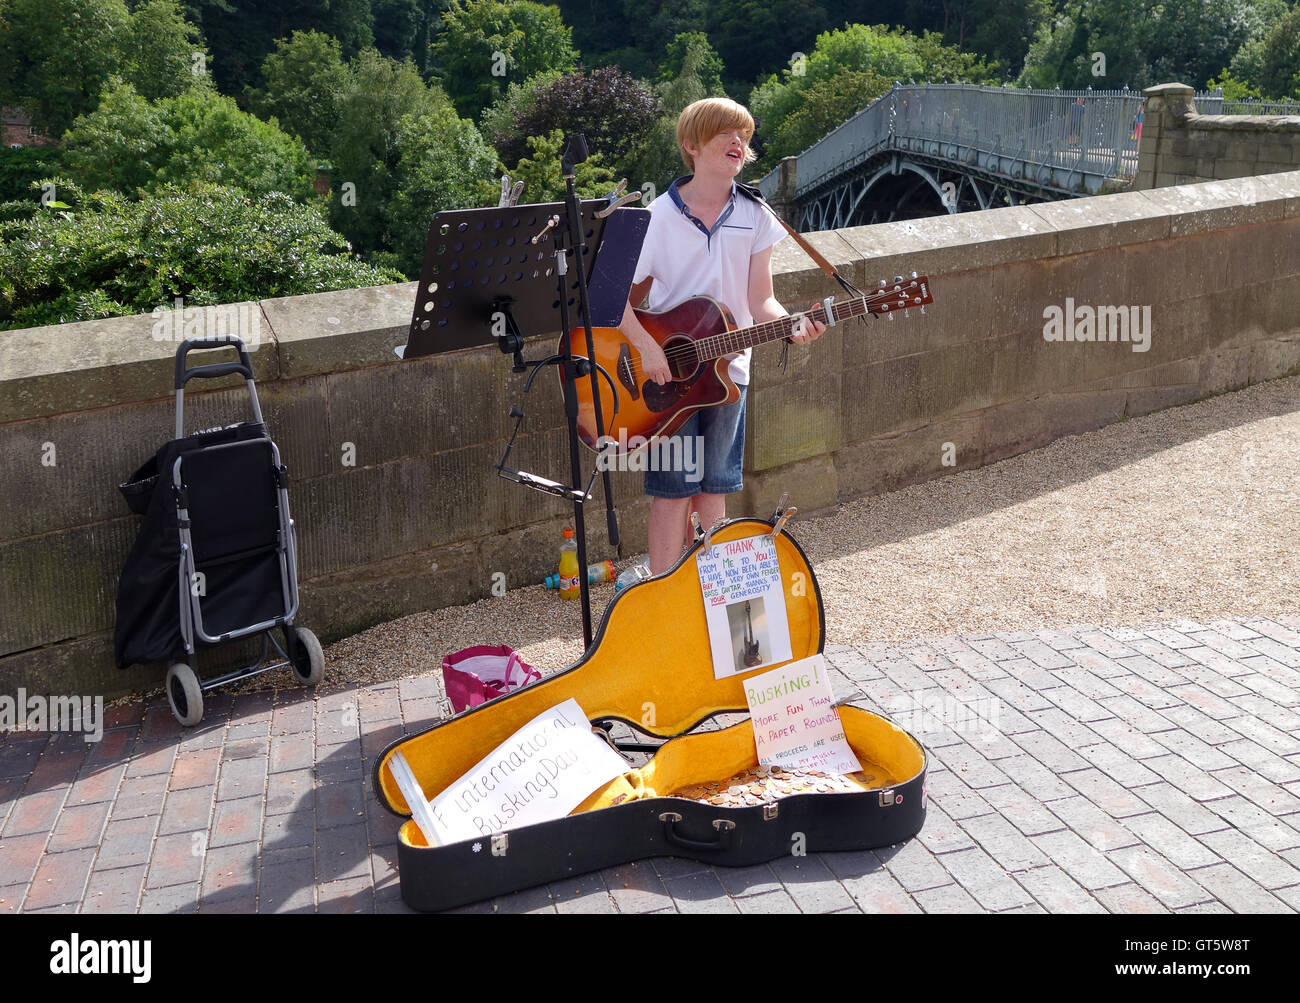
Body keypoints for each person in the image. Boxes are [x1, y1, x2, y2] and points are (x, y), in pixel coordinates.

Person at [619, 97, 826, 575]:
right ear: (692, 145)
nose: (738, 142)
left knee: (715, 490)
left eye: (744, 135)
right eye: (725, 133)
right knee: (674, 492)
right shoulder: (656, 217)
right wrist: (648, 349)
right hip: (666, 379)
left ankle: (716, 595)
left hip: (730, 373)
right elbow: (613, 303)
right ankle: (662, 597)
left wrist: (792, 326)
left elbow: (762, 300)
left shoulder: (756, 214)